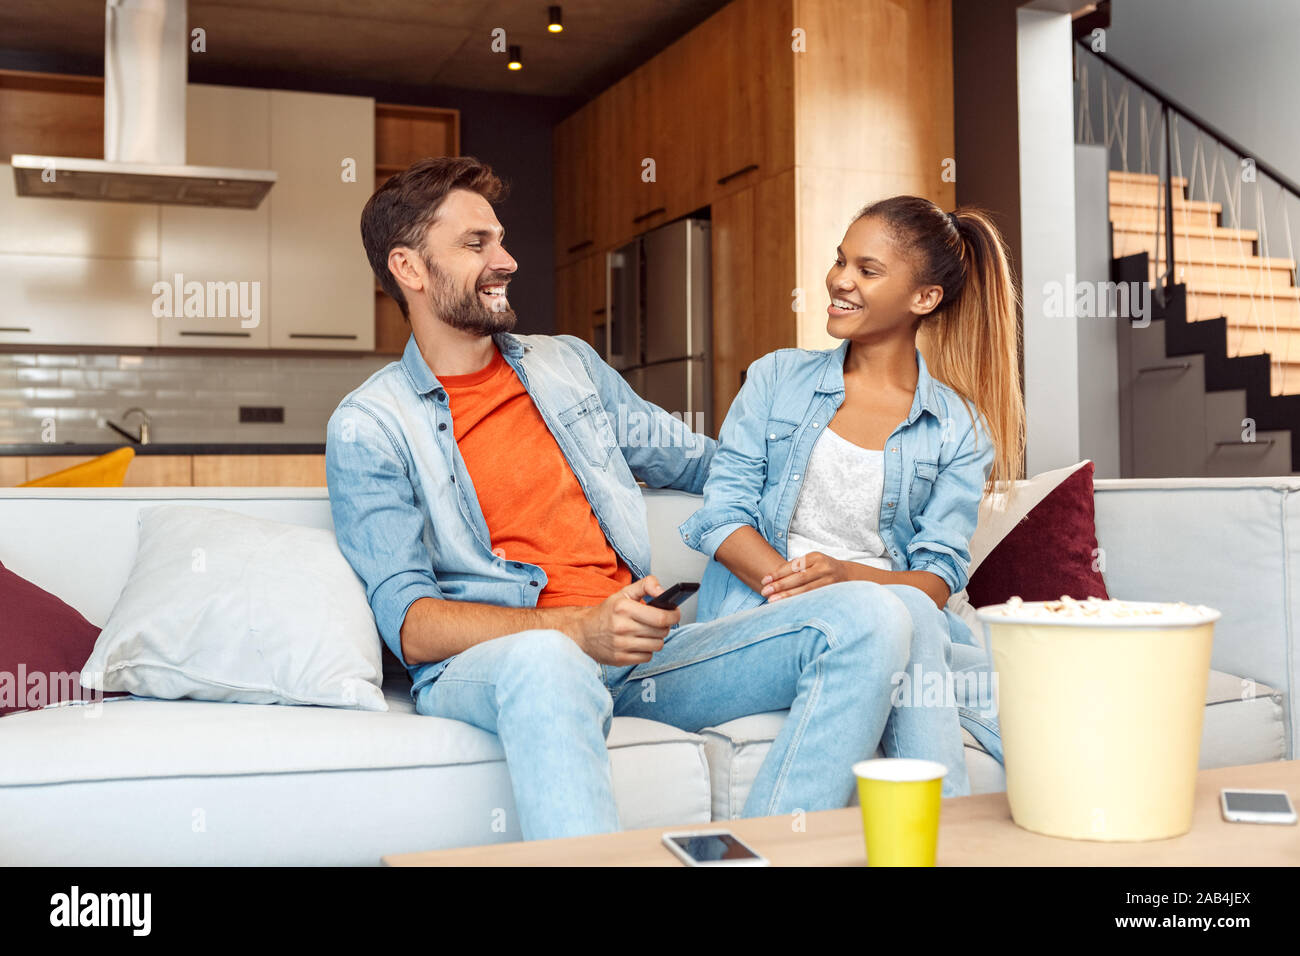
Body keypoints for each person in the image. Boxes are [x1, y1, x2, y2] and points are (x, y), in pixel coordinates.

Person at [327, 156, 964, 843]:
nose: (506, 260)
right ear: (410, 269)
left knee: (870, 617)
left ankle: (753, 860)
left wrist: (847, 501)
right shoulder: (371, 426)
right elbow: (412, 626)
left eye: (501, 239)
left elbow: (707, 466)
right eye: (476, 245)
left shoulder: (565, 365)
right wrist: (576, 629)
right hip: (503, 662)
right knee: (548, 663)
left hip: (643, 654)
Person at [679, 196, 1025, 791]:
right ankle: (950, 835)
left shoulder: (960, 427)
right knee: (916, 632)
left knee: (915, 614)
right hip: (764, 622)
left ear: (924, 298)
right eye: (841, 261)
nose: (838, 280)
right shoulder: (775, 378)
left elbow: (936, 579)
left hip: (894, 629)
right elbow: (721, 517)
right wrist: (798, 588)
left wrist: (848, 579)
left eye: (867, 270)